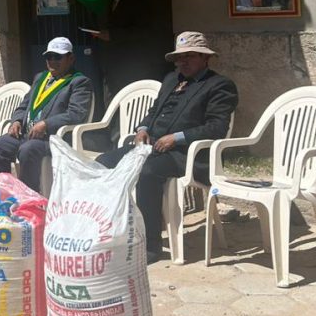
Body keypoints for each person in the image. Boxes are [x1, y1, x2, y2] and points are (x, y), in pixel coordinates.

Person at [96, 31, 238, 264]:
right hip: (152, 148)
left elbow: (217, 128)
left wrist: (178, 138)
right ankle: (111, 231)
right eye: (179, 57)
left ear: (205, 57)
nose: (183, 61)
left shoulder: (219, 85)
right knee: (103, 162)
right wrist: (142, 128)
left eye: (190, 56)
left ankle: (151, 245)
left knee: (147, 172)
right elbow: (153, 112)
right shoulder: (172, 79)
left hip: (188, 155)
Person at [0, 37, 93, 190]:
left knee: (28, 150)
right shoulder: (40, 78)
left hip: (53, 139)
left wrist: (46, 124)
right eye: (49, 57)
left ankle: (28, 198)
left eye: (58, 57)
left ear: (71, 58)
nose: (52, 61)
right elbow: (23, 106)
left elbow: (76, 114)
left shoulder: (79, 82)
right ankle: (4, 193)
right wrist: (16, 121)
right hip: (27, 134)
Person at [93, 0, 155, 99]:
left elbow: (144, 30)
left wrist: (112, 35)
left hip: (131, 64)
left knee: (131, 105)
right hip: (110, 65)